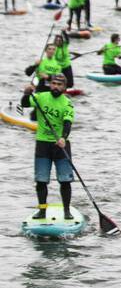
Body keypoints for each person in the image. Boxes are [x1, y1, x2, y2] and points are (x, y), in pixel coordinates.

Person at [21, 73, 76, 223]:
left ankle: (66, 210)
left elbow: (67, 123)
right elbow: (25, 104)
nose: (56, 87)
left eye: (59, 84)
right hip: (42, 144)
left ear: (64, 87)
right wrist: (26, 93)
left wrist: (63, 138)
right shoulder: (41, 97)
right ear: (50, 84)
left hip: (61, 145)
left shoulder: (67, 103)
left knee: (65, 181)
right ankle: (42, 210)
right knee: (41, 180)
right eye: (53, 83)